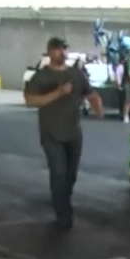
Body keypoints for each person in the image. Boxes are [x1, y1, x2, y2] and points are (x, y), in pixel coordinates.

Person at [23, 37, 103, 230]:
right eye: (58, 49)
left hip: (73, 133)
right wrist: (58, 93)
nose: (62, 53)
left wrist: (97, 107)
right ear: (50, 51)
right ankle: (63, 213)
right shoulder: (41, 76)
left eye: (64, 49)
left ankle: (63, 201)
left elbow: (90, 93)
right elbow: (30, 100)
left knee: (70, 175)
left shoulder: (75, 74)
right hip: (51, 133)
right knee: (58, 172)